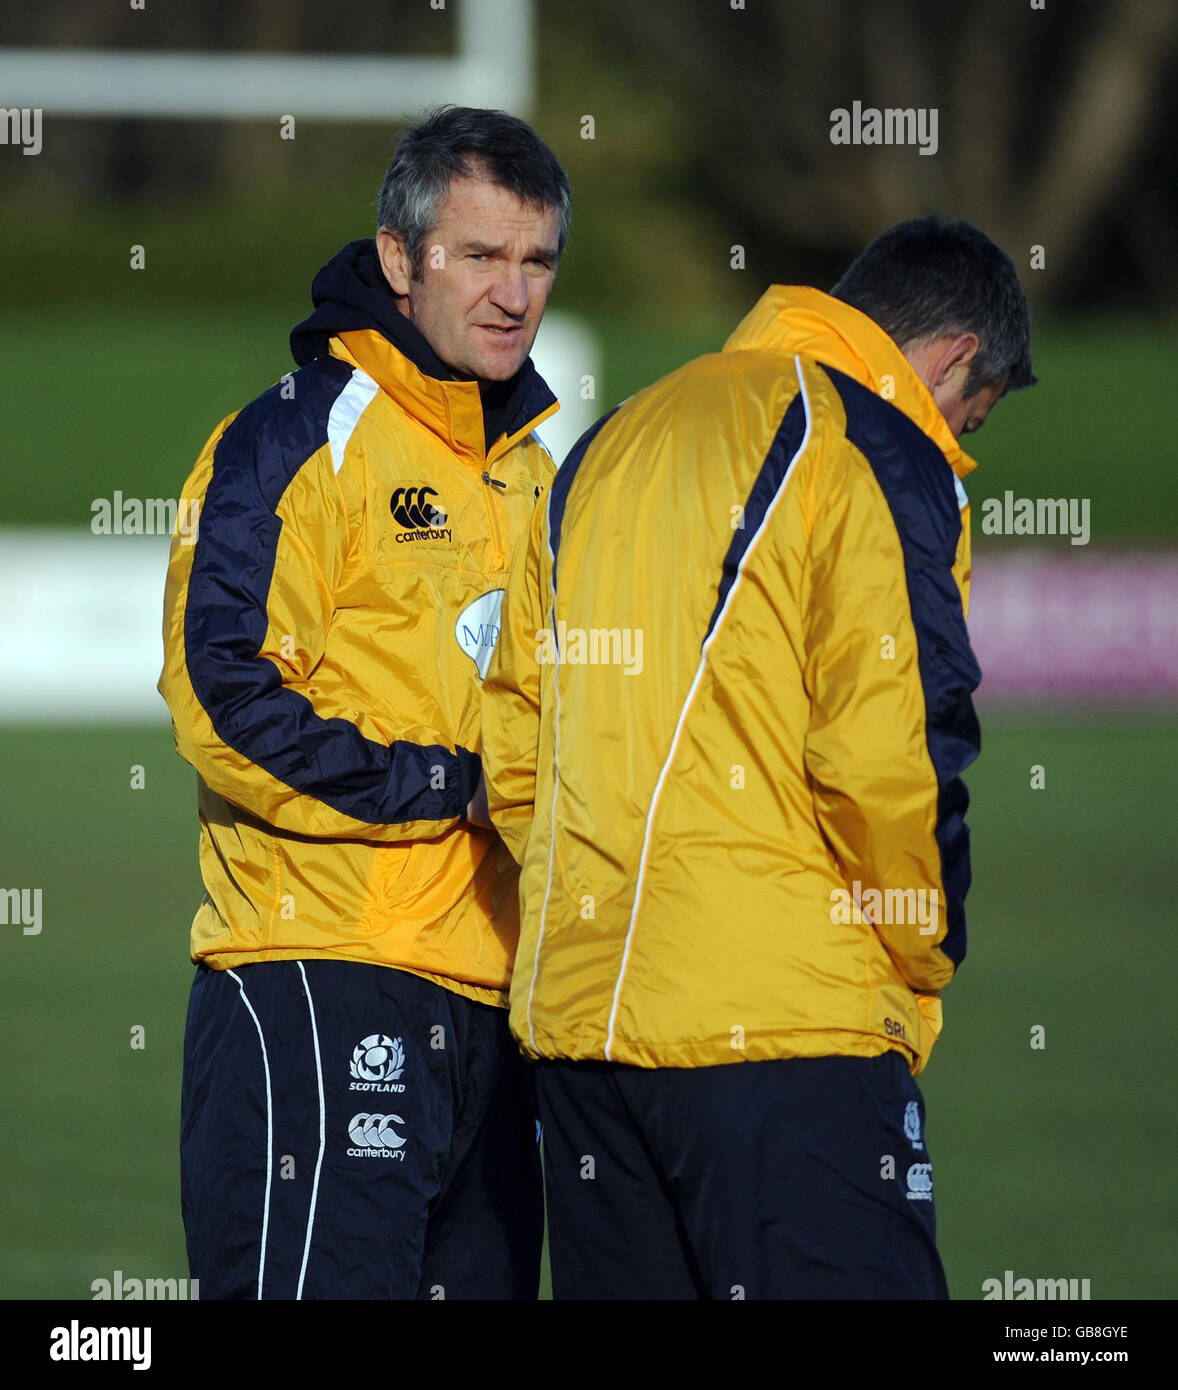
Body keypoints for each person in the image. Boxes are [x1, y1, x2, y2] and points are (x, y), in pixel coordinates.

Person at [479, 215, 1037, 1300]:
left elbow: (514, 740)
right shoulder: (868, 439)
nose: (960, 441)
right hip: (785, 1033)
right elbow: (890, 748)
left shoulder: (610, 440)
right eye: (971, 419)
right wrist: (923, 958)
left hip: (583, 1041)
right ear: (954, 359)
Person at [158, 105, 570, 1300]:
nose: (511, 293)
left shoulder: (541, 477)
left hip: (501, 1012)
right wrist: (443, 784)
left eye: (535, 260)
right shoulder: (290, 442)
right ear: (400, 261)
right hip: (318, 975)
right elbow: (221, 697)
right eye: (477, 256)